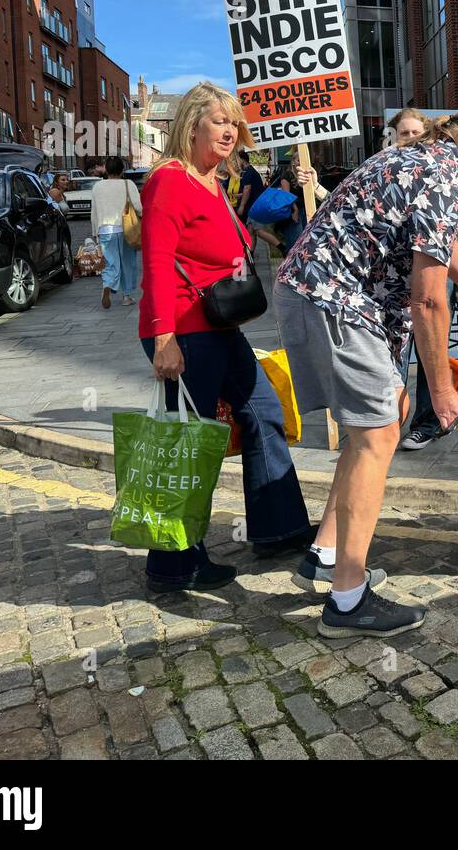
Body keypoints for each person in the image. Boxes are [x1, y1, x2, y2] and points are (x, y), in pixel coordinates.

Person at [275, 98, 458, 637]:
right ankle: (347, 601)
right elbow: (428, 302)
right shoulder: (441, 177)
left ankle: (325, 553)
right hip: (338, 302)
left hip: (318, 295)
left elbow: (443, 250)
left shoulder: (423, 160)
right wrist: (441, 391)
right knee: (378, 437)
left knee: (377, 421)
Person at [140, 82, 313, 593]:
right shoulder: (169, 180)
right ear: (190, 124)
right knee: (190, 446)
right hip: (185, 332)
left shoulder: (214, 181)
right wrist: (163, 338)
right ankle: (172, 565)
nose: (230, 131)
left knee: (264, 412)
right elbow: (154, 261)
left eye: (234, 124)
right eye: (219, 121)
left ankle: (278, 528)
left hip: (219, 329)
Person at [90, 156, 142, 308]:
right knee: (128, 263)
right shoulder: (128, 184)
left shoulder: (97, 187)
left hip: (105, 229)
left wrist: (95, 231)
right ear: (122, 170)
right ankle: (126, 296)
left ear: (106, 169)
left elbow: (94, 211)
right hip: (126, 229)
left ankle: (108, 285)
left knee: (110, 263)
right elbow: (138, 207)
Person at [234, 149, 265, 223]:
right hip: (253, 204)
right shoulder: (247, 171)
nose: (235, 163)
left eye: (236, 160)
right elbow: (252, 189)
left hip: (253, 205)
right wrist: (241, 195)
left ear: (242, 160)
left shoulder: (248, 171)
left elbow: (247, 188)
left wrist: (242, 206)